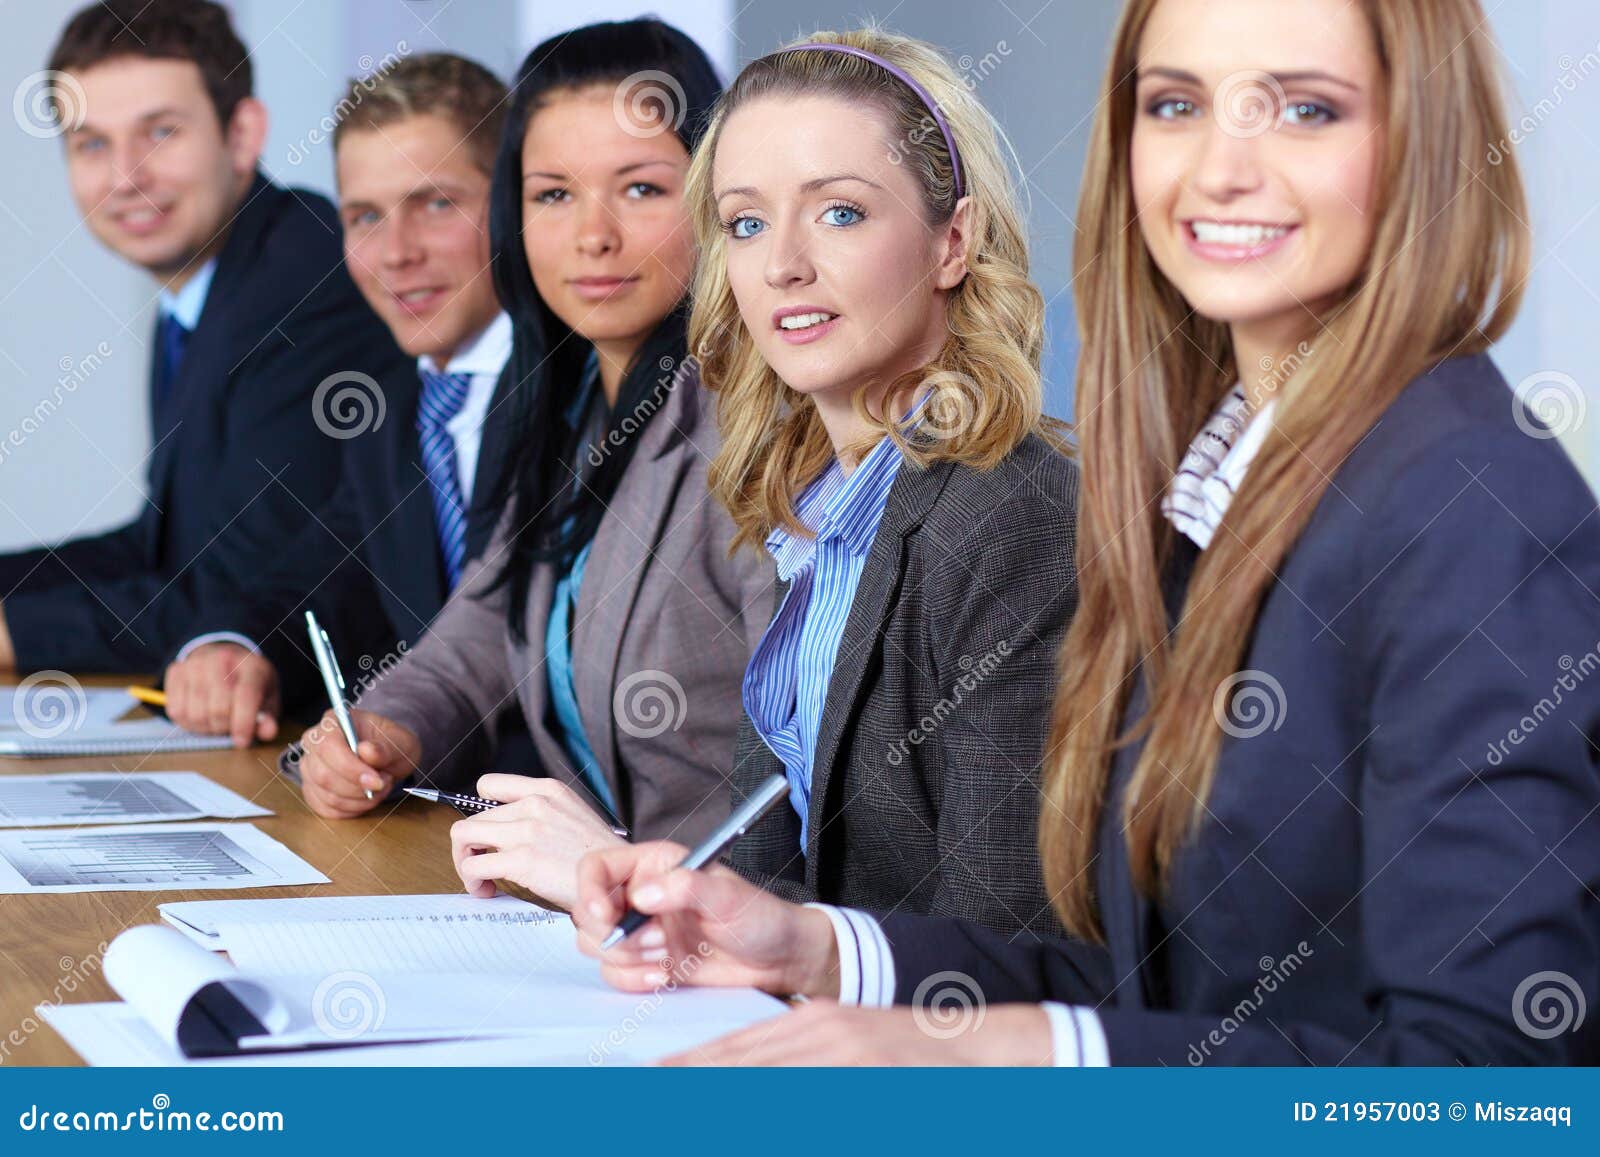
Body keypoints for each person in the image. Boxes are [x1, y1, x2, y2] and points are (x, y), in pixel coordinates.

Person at [572, 0, 1600, 1067]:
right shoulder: (1215, 492)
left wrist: (1012, 1055)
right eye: (1175, 105)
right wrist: (815, 944)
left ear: (1424, 143)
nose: (1222, 170)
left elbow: (1493, 1088)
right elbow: (1150, 986)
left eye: (1304, 109)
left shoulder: (1473, 509)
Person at [292, 20, 775, 912]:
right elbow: (484, 618)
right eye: (553, 194)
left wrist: (666, 902)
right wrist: (389, 726)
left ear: (719, 198)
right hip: (595, 913)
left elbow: (798, 758)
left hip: (727, 931)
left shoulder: (761, 419)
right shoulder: (571, 394)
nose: (592, 235)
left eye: (639, 188)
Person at [690, 29, 1081, 936]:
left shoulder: (1019, 525)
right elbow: (777, 894)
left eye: (838, 213)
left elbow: (1001, 949)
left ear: (953, 243)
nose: (781, 262)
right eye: (746, 222)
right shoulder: (811, 510)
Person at [0, 0, 404, 673]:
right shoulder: (199, 294)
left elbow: (241, 588)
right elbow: (163, 547)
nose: (126, 177)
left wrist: (14, 630)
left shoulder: (308, 281)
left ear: (242, 134)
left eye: (159, 133)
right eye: (93, 144)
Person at [159, 54, 521, 749]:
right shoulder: (394, 411)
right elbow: (326, 582)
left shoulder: (579, 394)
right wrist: (236, 648)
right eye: (365, 217)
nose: (395, 253)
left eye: (435, 203)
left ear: (510, 202)